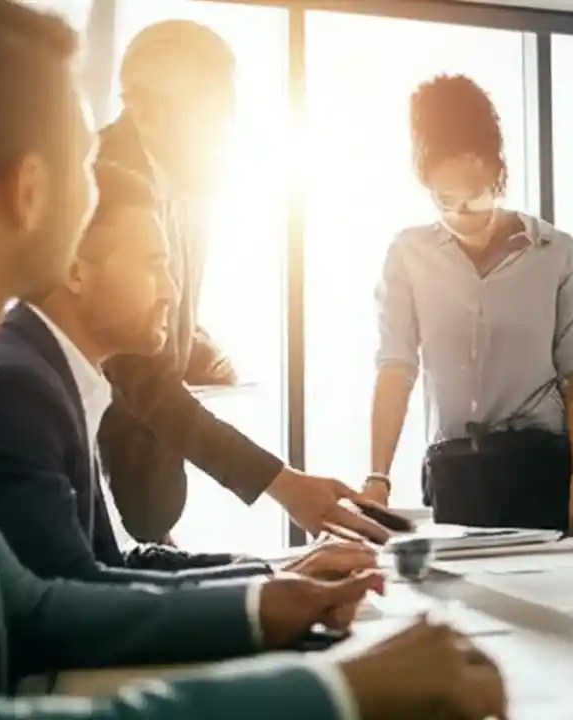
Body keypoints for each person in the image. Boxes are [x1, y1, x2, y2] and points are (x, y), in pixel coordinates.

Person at [0, 2, 505, 717]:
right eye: (86, 166)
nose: (103, 183)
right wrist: (337, 691)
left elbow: (26, 604)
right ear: (27, 191)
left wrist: (265, 600)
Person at [0, 162, 376, 584]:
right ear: (74, 271)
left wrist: (275, 574)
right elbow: (68, 599)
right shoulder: (20, 390)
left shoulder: (53, 373)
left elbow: (106, 565)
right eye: (153, 265)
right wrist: (267, 590)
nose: (171, 292)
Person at [94, 20, 387, 544]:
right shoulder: (101, 187)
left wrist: (193, 345)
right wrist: (282, 483)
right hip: (80, 475)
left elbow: (155, 319)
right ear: (148, 113)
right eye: (208, 119)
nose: (223, 136)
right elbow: (138, 372)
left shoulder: (185, 185)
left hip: (142, 489)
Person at [365, 74, 573, 532]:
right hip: (453, 470)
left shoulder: (555, 252)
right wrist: (378, 478)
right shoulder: (407, 255)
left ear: (496, 170)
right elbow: (395, 368)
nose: (460, 214)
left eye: (472, 197)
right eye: (445, 200)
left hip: (541, 465)